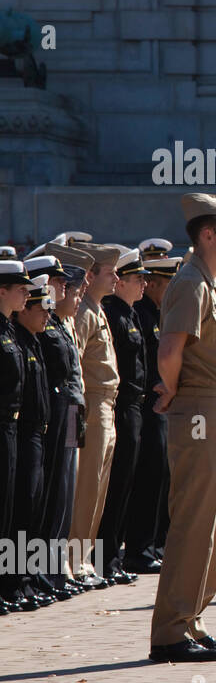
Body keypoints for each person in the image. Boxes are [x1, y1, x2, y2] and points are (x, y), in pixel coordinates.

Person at [149, 193, 216, 663]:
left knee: (212, 523)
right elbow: (170, 352)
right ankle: (170, 630)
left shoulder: (208, 282)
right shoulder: (190, 283)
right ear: (207, 235)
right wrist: (171, 390)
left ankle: (192, 620)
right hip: (199, 412)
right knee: (193, 521)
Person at [68, 243, 123, 585]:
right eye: (110, 272)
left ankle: (85, 558)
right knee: (87, 486)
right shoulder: (85, 312)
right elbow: (76, 362)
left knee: (99, 487)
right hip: (92, 405)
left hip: (107, 403)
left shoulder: (96, 309)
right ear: (91, 276)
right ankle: (75, 560)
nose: (116, 277)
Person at [39, 250, 91, 595]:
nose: (69, 294)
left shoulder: (59, 325)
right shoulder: (44, 327)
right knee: (52, 496)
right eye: (62, 286)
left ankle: (55, 574)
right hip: (56, 415)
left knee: (65, 494)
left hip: (72, 413)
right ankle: (43, 574)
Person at [96, 250, 149, 585]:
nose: (143, 283)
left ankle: (114, 556)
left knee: (127, 485)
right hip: (121, 406)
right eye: (137, 279)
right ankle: (106, 558)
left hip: (135, 406)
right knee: (114, 488)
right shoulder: (113, 315)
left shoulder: (128, 314)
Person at [123, 253, 178, 573]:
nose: (145, 285)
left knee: (162, 474)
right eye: (166, 284)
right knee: (148, 476)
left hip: (160, 405)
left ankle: (153, 542)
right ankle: (138, 547)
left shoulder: (158, 313)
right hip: (146, 404)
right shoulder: (141, 314)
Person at [9, 278, 56, 608]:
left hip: (35, 432)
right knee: (18, 509)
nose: (47, 316)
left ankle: (25, 578)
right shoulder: (16, 337)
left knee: (34, 508)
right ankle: (12, 581)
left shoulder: (29, 340)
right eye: (41, 308)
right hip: (19, 432)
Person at [0, 261, 38, 613]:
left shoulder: (9, 329)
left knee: (10, 511)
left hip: (12, 428)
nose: (28, 293)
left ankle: (9, 583)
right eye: (21, 288)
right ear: (2, 291)